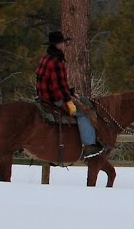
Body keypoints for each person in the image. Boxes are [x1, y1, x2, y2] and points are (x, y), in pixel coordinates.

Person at [35, 31, 104, 159]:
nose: (64, 45)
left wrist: (70, 92)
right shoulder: (57, 62)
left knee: (82, 102)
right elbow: (58, 86)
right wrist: (69, 101)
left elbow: (52, 83)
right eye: (62, 43)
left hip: (43, 96)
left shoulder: (45, 58)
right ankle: (89, 145)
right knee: (84, 112)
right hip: (54, 99)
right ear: (57, 45)